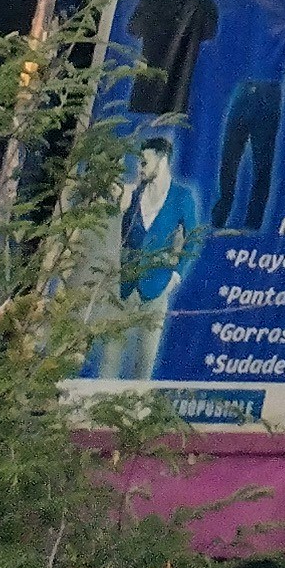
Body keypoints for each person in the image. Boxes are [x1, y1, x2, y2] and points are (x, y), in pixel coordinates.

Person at [87, 132, 202, 382]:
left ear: (161, 161)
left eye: (144, 162)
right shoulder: (134, 194)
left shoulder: (181, 196)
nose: (139, 168)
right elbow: (114, 207)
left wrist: (177, 274)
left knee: (146, 358)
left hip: (157, 285)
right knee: (110, 353)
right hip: (125, 286)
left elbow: (194, 238)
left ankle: (136, 414)